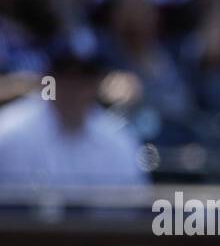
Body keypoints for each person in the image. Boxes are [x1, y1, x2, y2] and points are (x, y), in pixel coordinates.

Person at [0, 29, 147, 187]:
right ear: (47, 78)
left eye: (84, 77)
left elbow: (133, 207)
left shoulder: (120, 143)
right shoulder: (8, 135)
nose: (74, 88)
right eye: (65, 76)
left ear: (96, 83)